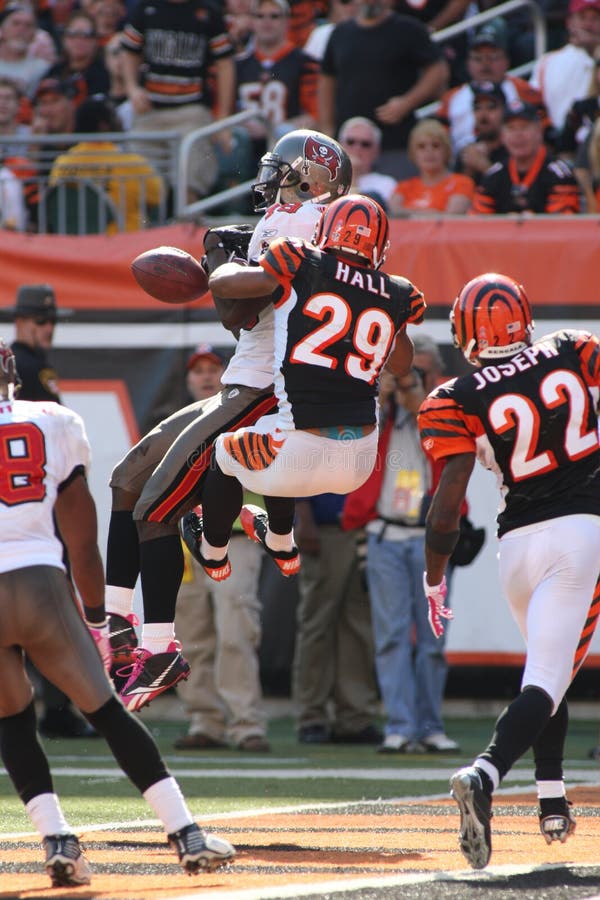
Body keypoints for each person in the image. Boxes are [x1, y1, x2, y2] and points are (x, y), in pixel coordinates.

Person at [105, 130, 353, 711]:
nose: (267, 178)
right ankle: (113, 620)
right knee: (127, 476)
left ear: (307, 179)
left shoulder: (297, 222)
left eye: (279, 170)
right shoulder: (300, 223)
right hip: (248, 380)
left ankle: (159, 646)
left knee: (152, 507)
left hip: (265, 387)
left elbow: (242, 310)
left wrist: (219, 265)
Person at [0, 339, 235, 887]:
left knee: (11, 720)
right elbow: (81, 541)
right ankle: (185, 833)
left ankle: (57, 839)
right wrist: (101, 621)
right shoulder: (49, 420)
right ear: (11, 373)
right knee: (105, 710)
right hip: (37, 580)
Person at [418, 272, 600, 869]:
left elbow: (448, 500)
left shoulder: (454, 395)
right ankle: (485, 774)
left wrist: (434, 572)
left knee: (547, 673)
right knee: (549, 676)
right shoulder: (573, 348)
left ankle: (551, 798)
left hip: (515, 547)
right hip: (580, 533)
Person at [181, 193, 427, 585]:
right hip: (360, 460)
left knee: (224, 453)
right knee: (274, 427)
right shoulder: (396, 290)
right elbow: (402, 363)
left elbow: (229, 285)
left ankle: (212, 553)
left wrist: (219, 264)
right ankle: (281, 540)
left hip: (298, 450)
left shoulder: (301, 260)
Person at [342, 335, 458, 754]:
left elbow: (447, 449)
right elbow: (348, 447)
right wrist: (379, 396)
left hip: (433, 541)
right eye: (404, 370)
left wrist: (416, 397)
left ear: (435, 374)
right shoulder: (377, 414)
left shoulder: (445, 409)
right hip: (385, 536)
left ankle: (429, 725)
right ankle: (400, 725)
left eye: (419, 370)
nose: (410, 378)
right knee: (391, 636)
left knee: (432, 640)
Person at [7, 284, 98, 739]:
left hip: (20, 513)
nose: (48, 329)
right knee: (50, 610)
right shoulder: (29, 369)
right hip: (31, 517)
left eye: (52, 322)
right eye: (40, 321)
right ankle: (60, 709)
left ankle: (50, 708)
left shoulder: (30, 366)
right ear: (21, 321)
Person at [173, 344, 270, 753]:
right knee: (192, 635)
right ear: (188, 380)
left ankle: (246, 724)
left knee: (235, 634)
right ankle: (204, 720)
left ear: (228, 373)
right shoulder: (173, 423)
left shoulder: (248, 419)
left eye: (214, 368)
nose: (207, 376)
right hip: (186, 543)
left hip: (235, 539)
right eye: (199, 371)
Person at [319, 0, 449, 180]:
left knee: (392, 204)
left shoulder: (408, 29)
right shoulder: (340, 32)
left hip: (395, 144)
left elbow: (438, 70)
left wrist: (407, 102)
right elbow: (327, 79)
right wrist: (327, 126)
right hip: (350, 145)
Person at [120, 0, 236, 200]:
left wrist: (223, 117)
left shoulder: (208, 11)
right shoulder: (146, 8)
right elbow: (129, 50)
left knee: (189, 183)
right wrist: (131, 87)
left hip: (191, 112)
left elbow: (225, 64)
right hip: (150, 113)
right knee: (138, 186)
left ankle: (185, 227)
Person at [292, 491, 382, 745]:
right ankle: (312, 717)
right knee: (317, 625)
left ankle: (354, 718)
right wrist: (303, 518)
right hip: (325, 528)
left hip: (366, 527)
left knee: (359, 626)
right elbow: (299, 463)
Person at [48, 94, 164, 232]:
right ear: (104, 126)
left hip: (72, 247)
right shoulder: (132, 164)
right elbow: (159, 198)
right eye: (115, 117)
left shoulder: (62, 164)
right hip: (123, 245)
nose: (120, 121)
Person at [437, 18, 546, 157]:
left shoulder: (524, 90)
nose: (485, 64)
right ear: (468, 64)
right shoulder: (451, 98)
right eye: (478, 58)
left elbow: (545, 132)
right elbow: (438, 141)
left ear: (507, 61)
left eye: (493, 57)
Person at [234, 0, 319, 171]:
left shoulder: (305, 63)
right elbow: (222, 113)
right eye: (260, 16)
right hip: (246, 148)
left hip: (285, 149)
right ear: (252, 21)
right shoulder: (238, 65)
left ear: (287, 21)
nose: (267, 22)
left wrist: (271, 129)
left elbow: (314, 116)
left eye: (274, 16)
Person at [470, 100, 581, 214]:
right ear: (502, 135)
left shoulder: (559, 174)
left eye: (524, 127)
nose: (518, 135)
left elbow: (564, 225)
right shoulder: (493, 175)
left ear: (539, 131)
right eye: (511, 128)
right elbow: (476, 224)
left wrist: (528, 226)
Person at [531, 0, 600, 134]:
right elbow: (534, 104)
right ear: (569, 22)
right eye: (582, 17)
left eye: (595, 18)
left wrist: (595, 46)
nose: (588, 24)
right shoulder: (548, 61)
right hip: (559, 143)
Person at [388, 117, 475, 215]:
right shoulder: (403, 187)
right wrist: (434, 213)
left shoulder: (462, 183)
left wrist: (408, 213)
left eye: (436, 145)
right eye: (421, 146)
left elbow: (452, 218)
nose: (429, 151)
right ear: (413, 153)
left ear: (447, 151)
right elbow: (393, 215)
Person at [45, 10, 110, 103]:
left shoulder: (103, 74)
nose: (79, 40)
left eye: (87, 35)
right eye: (73, 34)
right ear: (64, 39)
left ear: (95, 41)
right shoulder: (55, 72)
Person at [454, 81, 508, 185]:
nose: (483, 115)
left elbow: (514, 192)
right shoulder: (467, 152)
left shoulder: (515, 147)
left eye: (491, 107)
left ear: (504, 110)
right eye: (477, 108)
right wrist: (468, 170)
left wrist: (485, 167)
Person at [338, 115, 397, 210]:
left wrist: (354, 177)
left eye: (365, 144)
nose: (357, 148)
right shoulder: (327, 180)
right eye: (351, 142)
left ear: (376, 151)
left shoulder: (387, 184)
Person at [0, 3, 52, 100]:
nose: (21, 29)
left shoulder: (42, 68)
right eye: (16, 23)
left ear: (34, 35)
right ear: (2, 30)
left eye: (28, 25)